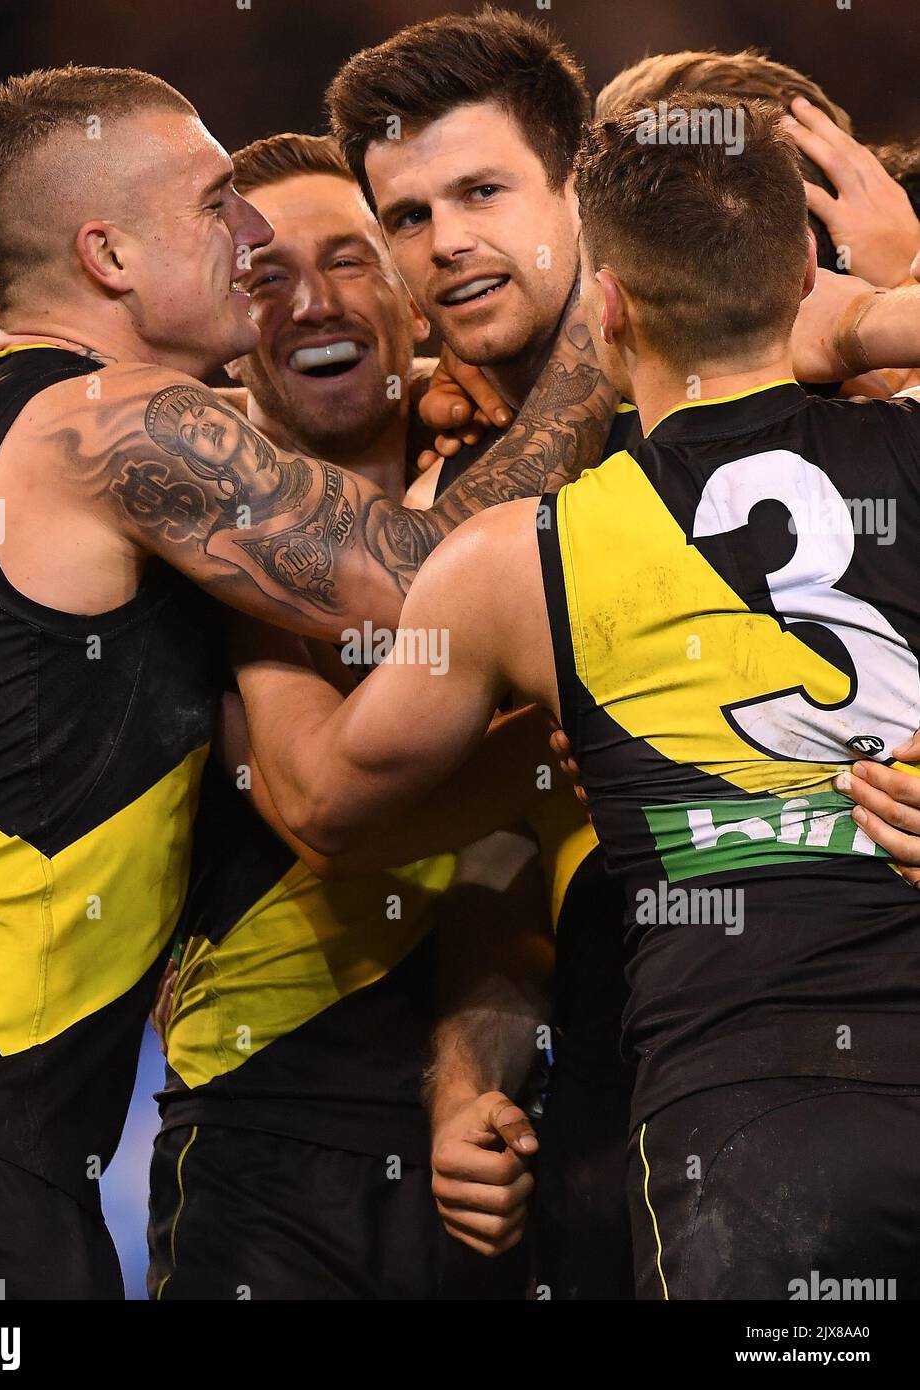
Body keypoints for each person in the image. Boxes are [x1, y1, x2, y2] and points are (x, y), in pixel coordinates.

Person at [0, 63, 611, 1299]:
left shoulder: (22, 424)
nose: (252, 234)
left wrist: (406, 399)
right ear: (108, 255)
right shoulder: (109, 425)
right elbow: (427, 575)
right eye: (219, 204)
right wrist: (601, 319)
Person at [234, 95, 920, 1300]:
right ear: (802, 267)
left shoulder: (510, 559)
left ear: (601, 304)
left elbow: (328, 803)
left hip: (748, 1127)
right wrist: (883, 308)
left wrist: (244, 584)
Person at [147, 132, 547, 1299]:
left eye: (352, 260)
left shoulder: (516, 499)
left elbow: (497, 860)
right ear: (228, 325)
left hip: (496, 1144)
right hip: (257, 1141)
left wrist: (471, 1079)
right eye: (262, 275)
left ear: (416, 306)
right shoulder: (188, 530)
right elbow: (324, 805)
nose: (310, 300)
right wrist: (567, 748)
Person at [327, 5, 639, 1297]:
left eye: (479, 189)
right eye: (404, 215)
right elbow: (491, 855)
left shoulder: (769, 392)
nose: (445, 239)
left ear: (578, 189)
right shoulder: (401, 492)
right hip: (594, 1104)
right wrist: (467, 1084)